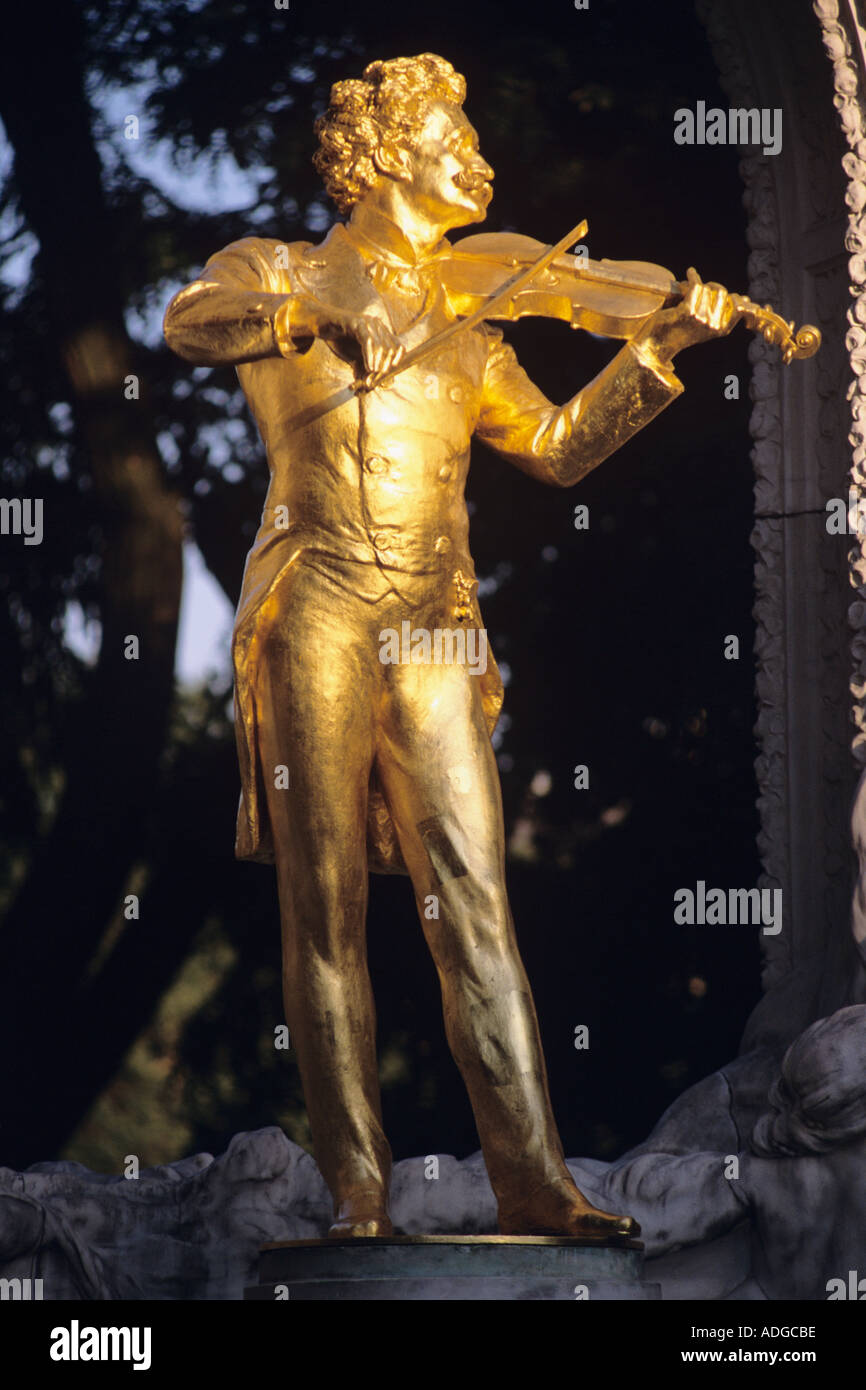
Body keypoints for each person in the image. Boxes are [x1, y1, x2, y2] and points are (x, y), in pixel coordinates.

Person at [164, 52, 736, 1238]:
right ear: (384, 154)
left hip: (432, 617)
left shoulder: (471, 319)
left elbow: (559, 448)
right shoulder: (279, 268)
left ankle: (532, 1180)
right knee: (321, 910)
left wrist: (657, 350)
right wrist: (300, 313)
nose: (481, 159)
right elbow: (185, 322)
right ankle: (357, 1189)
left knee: (474, 898)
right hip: (315, 597)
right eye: (455, 137)